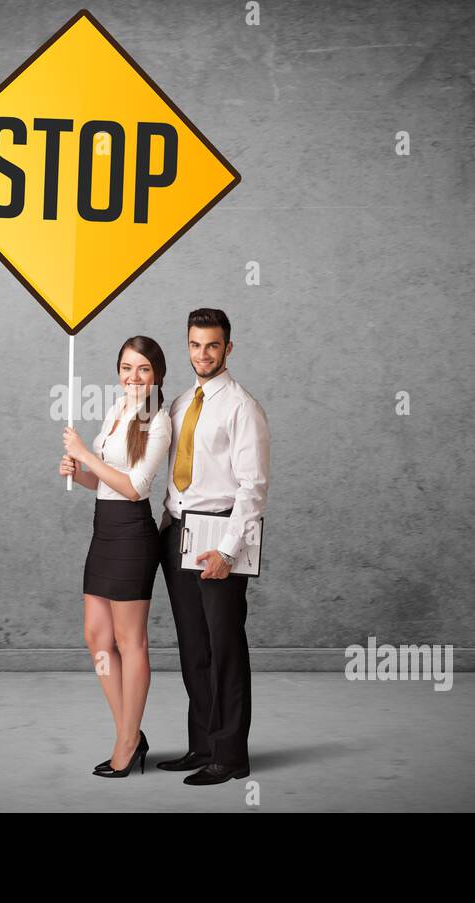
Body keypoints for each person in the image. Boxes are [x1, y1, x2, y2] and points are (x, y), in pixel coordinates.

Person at [156, 308, 269, 785]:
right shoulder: (181, 403)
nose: (203, 354)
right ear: (187, 345)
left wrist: (226, 549)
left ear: (228, 348)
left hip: (221, 535)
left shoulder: (242, 407)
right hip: (178, 532)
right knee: (193, 647)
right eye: (196, 344)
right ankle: (201, 745)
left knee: (224, 647)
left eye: (213, 345)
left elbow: (253, 487)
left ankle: (231, 755)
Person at [60, 336, 173, 778]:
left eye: (143, 369)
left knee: (131, 642)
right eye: (127, 367)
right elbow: (107, 484)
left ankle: (126, 742)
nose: (133, 376)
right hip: (103, 531)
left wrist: (86, 453)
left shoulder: (158, 422)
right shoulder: (115, 411)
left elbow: (135, 487)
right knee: (97, 637)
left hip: (132, 536)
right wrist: (80, 472)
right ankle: (132, 731)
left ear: (157, 375)